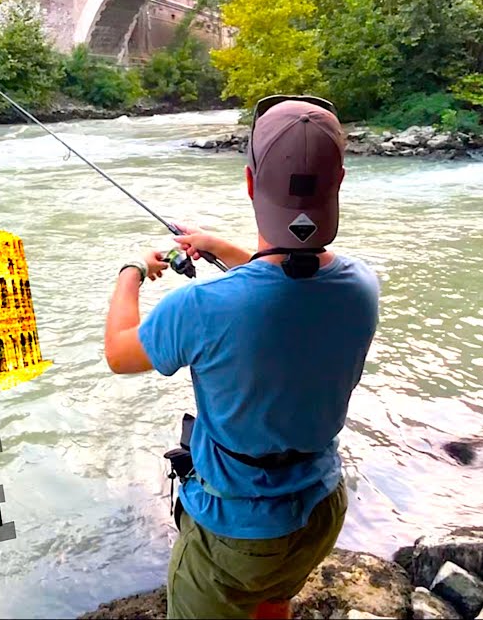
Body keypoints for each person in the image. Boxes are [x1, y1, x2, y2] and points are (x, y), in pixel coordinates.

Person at [103, 96, 381, 619]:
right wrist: (219, 247)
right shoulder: (362, 286)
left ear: (251, 183)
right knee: (275, 598)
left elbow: (120, 352)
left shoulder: (201, 307)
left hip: (237, 530)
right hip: (319, 507)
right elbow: (286, 281)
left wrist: (131, 271)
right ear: (339, 179)